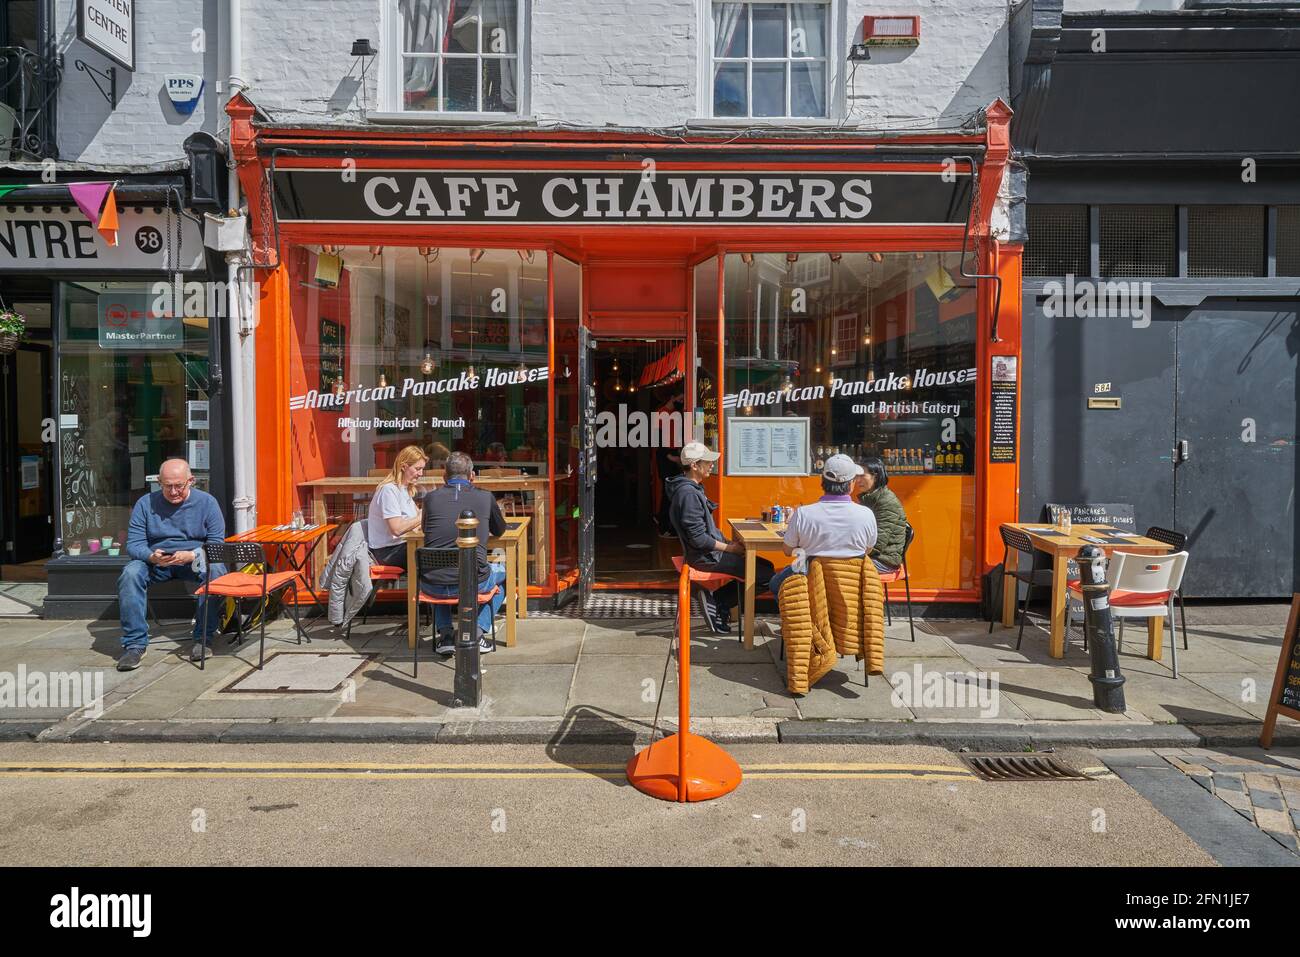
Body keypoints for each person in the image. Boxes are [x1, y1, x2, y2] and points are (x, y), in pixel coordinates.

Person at [116, 458, 227, 671]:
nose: (174, 491)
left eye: (179, 486)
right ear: (159, 482)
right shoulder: (145, 503)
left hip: (193, 559)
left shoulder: (207, 503)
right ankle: (135, 645)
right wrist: (151, 556)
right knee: (130, 574)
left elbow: (216, 545)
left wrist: (192, 555)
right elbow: (134, 545)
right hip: (157, 562)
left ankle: (204, 638)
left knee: (216, 571)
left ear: (191, 481)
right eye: (167, 486)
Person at [665, 441, 773, 634]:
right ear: (694, 465)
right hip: (706, 558)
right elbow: (699, 539)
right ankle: (718, 601)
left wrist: (730, 544)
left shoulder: (691, 489)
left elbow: (707, 532)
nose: (712, 465)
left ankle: (717, 601)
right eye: (707, 462)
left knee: (767, 567)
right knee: (766, 576)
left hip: (707, 554)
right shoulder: (688, 494)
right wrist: (731, 549)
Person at [420, 451, 507, 656]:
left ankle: (446, 636)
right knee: (504, 576)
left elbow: (424, 529)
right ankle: (477, 632)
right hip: (473, 581)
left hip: (433, 584)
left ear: (444, 476)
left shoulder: (430, 498)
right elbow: (500, 530)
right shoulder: (485, 497)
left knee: (439, 573)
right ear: (472, 476)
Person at [770, 453, 879, 604]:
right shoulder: (867, 514)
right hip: (851, 584)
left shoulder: (803, 514)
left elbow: (788, 551)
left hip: (811, 580)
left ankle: (801, 616)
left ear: (822, 481)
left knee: (775, 584)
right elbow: (867, 549)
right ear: (851, 484)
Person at [366, 445, 426, 569]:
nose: (421, 474)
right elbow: (397, 529)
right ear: (404, 467)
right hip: (387, 552)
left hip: (401, 546)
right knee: (433, 553)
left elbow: (416, 520)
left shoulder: (405, 490)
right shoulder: (389, 490)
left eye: (422, 469)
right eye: (417, 469)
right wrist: (421, 517)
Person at [856, 455, 908, 572]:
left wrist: (852, 552)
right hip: (871, 555)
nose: (858, 480)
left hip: (884, 560)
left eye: (862, 476)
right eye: (857, 476)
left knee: (842, 567)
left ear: (876, 476)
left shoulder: (886, 501)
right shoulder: (868, 498)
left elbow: (878, 543)